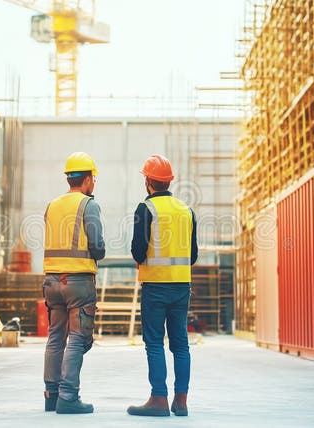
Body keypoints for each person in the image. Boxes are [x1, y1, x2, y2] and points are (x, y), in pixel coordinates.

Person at [127, 154, 198, 417]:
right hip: (181, 287)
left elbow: (137, 251)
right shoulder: (187, 211)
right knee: (180, 344)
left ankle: (158, 399)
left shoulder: (146, 209)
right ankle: (181, 401)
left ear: (147, 181)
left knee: (155, 342)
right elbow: (192, 256)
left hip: (155, 286)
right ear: (169, 182)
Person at [42, 152, 106, 414]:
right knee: (78, 338)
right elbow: (97, 246)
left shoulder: (52, 205)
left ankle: (52, 395)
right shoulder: (88, 205)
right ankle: (68, 397)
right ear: (88, 179)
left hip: (51, 281)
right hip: (78, 282)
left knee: (56, 337)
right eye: (94, 179)